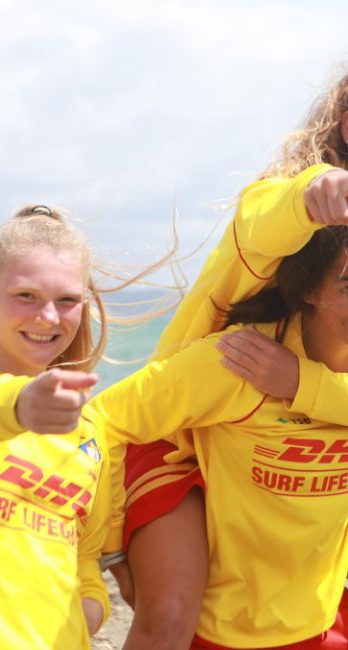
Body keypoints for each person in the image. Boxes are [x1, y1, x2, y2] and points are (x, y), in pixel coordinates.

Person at [108, 69, 348, 650]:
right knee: (170, 614)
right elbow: (264, 214)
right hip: (185, 422)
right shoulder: (293, 195)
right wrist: (313, 194)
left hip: (282, 437)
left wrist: (301, 382)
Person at [0, 205, 122, 649]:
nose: (49, 318)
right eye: (27, 296)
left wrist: (89, 613)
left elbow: (86, 563)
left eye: (67, 300)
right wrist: (21, 404)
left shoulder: (91, 428)